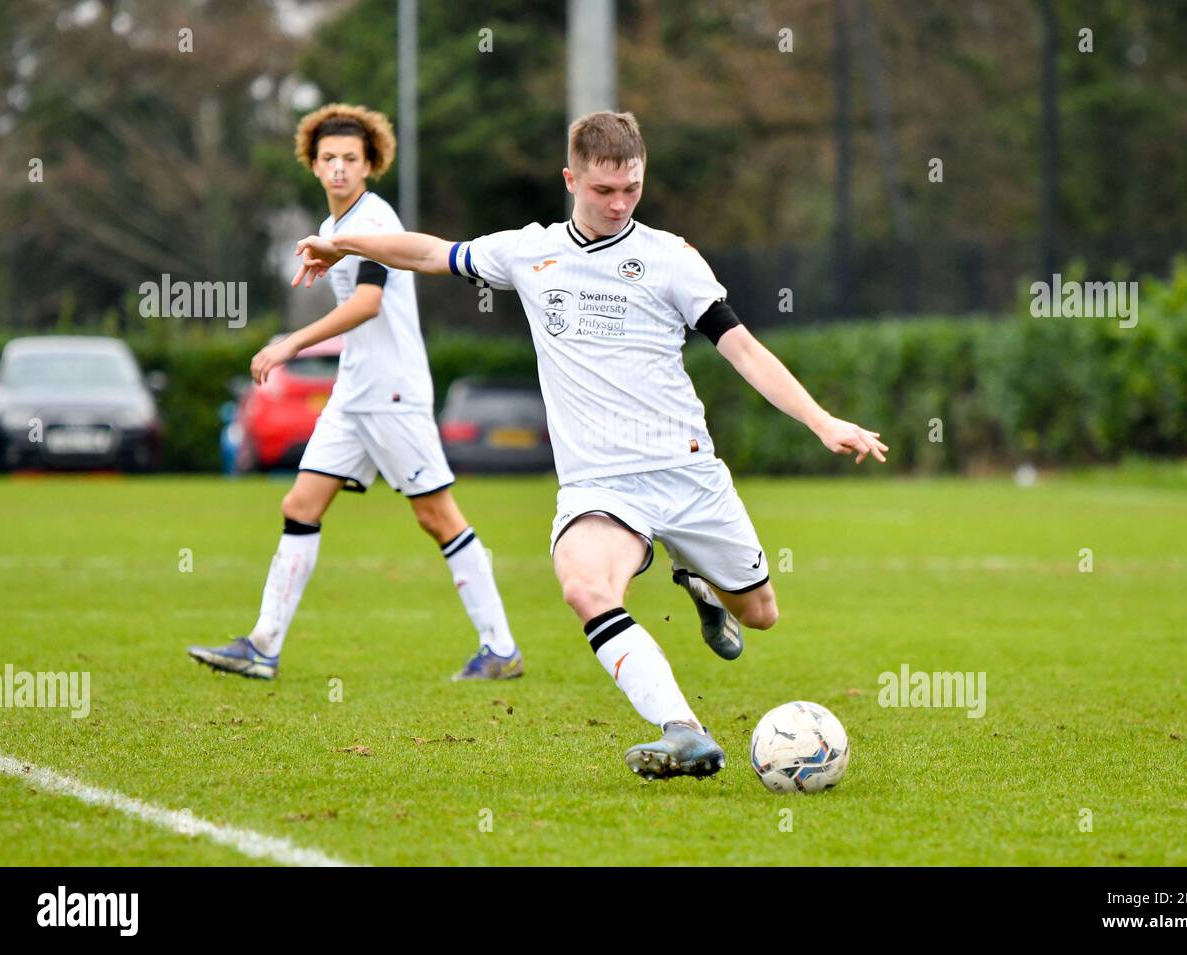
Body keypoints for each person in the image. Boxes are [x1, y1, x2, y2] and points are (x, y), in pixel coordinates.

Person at [291, 111, 887, 777]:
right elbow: (432, 253)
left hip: (686, 473)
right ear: (572, 179)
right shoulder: (531, 252)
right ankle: (684, 730)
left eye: (631, 188)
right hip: (600, 486)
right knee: (583, 586)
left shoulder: (671, 258)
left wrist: (821, 420)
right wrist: (348, 247)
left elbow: (742, 350)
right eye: (604, 190)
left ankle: (702, 586)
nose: (619, 203)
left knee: (763, 613)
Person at [189, 104, 522, 682]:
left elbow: (366, 305)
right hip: (354, 394)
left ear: (371, 164)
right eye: (328, 159)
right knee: (299, 506)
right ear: (313, 167)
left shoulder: (376, 222)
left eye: (350, 158)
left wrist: (291, 343)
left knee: (437, 516)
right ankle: (264, 644)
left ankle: (499, 649)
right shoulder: (332, 230)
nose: (339, 168)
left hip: (393, 394)